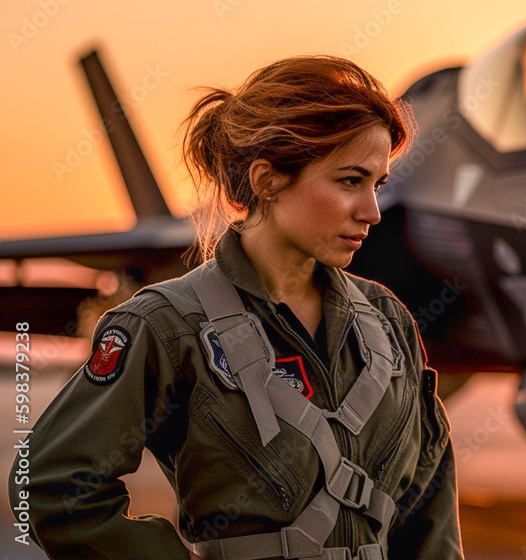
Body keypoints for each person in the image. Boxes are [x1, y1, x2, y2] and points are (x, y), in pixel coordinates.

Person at [8, 55, 465, 560]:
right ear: (268, 180)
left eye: (377, 185)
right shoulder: (167, 324)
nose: (372, 212)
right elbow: (54, 483)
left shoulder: (387, 323)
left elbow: (428, 498)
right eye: (350, 181)